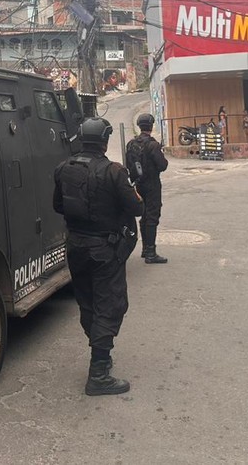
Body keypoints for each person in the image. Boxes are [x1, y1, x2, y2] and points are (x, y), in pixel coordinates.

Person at [54, 117, 143, 395]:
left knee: (87, 302)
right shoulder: (114, 172)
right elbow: (136, 208)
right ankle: (99, 373)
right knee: (110, 304)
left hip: (75, 247)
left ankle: (99, 352)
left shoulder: (62, 168)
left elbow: (58, 206)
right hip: (105, 250)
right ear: (105, 140)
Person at [126, 113, 169, 264]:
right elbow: (162, 165)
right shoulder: (153, 145)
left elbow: (128, 164)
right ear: (151, 126)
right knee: (152, 216)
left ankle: (145, 249)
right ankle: (150, 252)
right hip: (152, 185)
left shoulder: (131, 144)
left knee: (144, 216)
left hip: (138, 184)